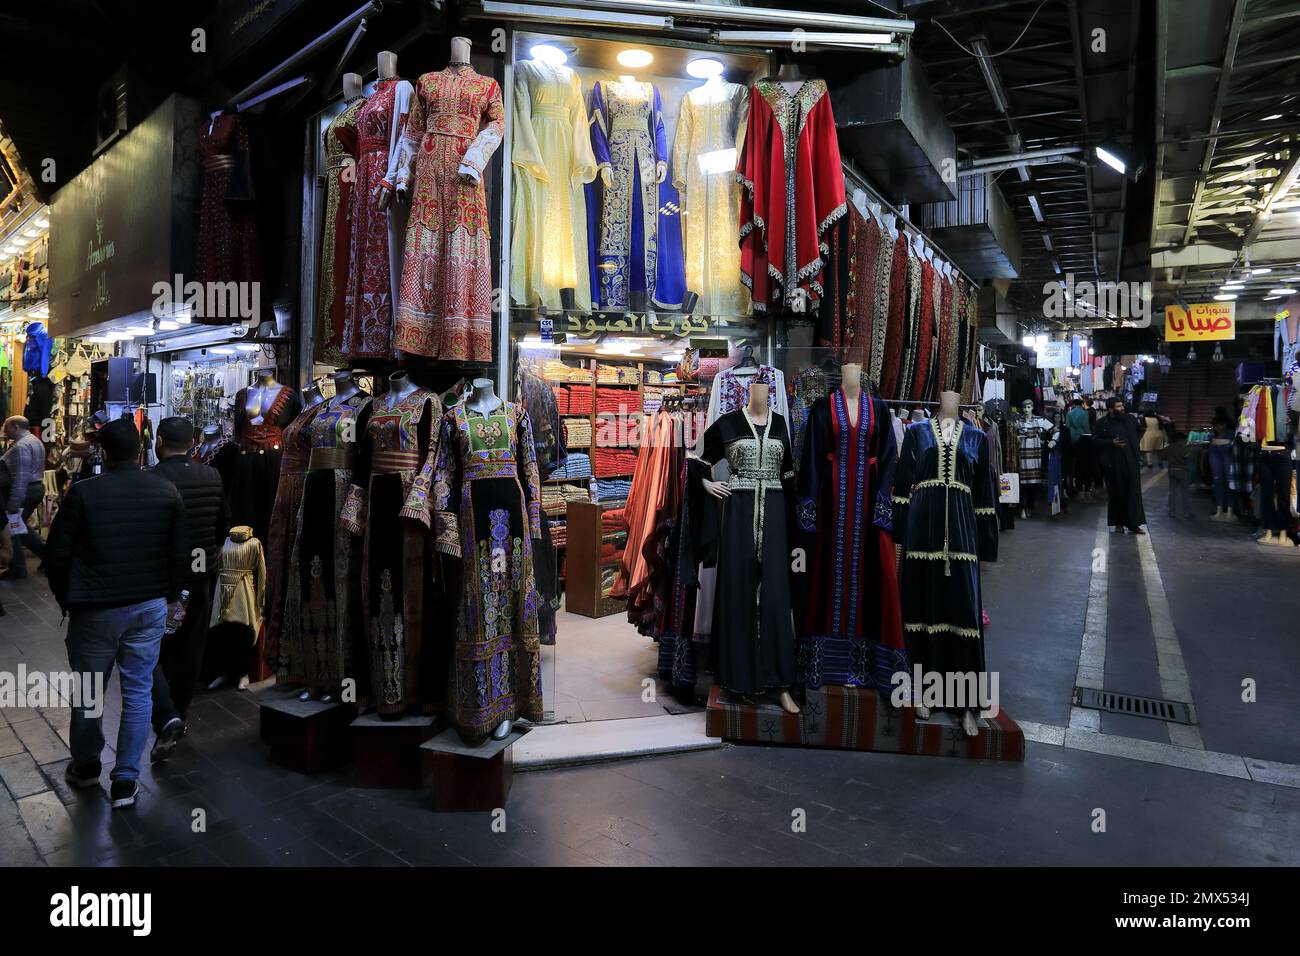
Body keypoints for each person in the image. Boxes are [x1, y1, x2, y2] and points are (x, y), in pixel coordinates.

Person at [44, 419, 189, 809]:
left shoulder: (84, 493)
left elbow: (56, 554)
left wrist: (68, 598)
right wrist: (170, 595)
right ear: (140, 450)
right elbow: (180, 552)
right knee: (139, 691)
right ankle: (126, 779)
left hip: (96, 609)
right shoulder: (165, 490)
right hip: (149, 604)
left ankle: (87, 766)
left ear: (103, 453)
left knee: (90, 692)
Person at [149, 417, 230, 763]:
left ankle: (164, 713)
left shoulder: (153, 478)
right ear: (193, 443)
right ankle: (178, 712)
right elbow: (223, 523)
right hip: (202, 573)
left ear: (159, 441)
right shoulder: (211, 475)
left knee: (159, 645)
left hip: (166, 577)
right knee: (192, 644)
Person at [1, 415, 49, 578]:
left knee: (12, 527)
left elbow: (21, 477)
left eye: (6, 427)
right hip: (33, 488)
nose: (4, 431)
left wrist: (14, 503)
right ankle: (51, 557)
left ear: (16, 427)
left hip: (26, 490)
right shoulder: (34, 441)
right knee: (20, 528)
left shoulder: (21, 446)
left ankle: (18, 568)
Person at [1093, 398, 1148, 534]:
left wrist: (1134, 442)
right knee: (1116, 493)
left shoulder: (1130, 419)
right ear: (1110, 409)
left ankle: (1134, 524)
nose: (1122, 408)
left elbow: (1141, 430)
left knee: (1133, 493)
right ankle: (1118, 524)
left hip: (1131, 462)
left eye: (1122, 405)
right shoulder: (1102, 423)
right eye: (1118, 406)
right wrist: (1111, 443)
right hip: (1113, 464)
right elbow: (1094, 440)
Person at [1161, 425, 1192, 519]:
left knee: (1173, 492)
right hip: (1182, 471)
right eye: (1185, 440)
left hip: (1171, 470)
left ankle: (1172, 512)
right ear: (1180, 440)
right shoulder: (1182, 448)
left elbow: (1163, 457)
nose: (1185, 442)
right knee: (1184, 492)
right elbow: (1188, 456)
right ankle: (1186, 512)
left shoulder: (1168, 447)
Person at [1065, 398, 1094, 497]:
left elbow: (1067, 427)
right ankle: (1085, 484)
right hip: (1083, 438)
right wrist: (1090, 436)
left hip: (1073, 439)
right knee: (1084, 462)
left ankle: (1076, 484)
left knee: (1075, 462)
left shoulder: (1069, 414)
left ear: (1074, 404)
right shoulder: (1084, 413)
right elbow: (1086, 426)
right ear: (1081, 404)